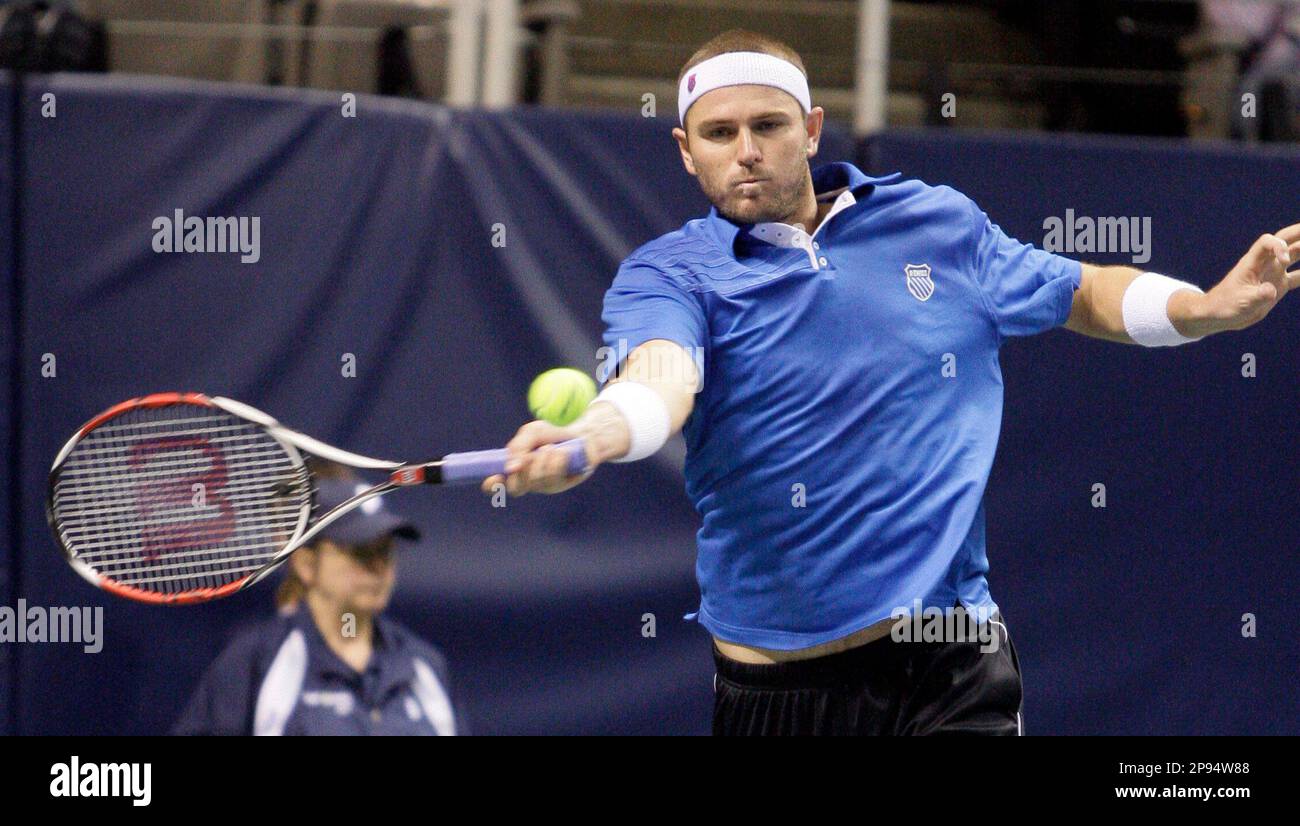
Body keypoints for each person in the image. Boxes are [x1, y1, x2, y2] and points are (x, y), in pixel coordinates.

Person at [482, 29, 1300, 735]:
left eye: (767, 125)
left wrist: (1203, 310)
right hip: (775, 686)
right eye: (719, 131)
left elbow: (1079, 290)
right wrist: (595, 433)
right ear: (685, 149)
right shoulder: (667, 275)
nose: (746, 150)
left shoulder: (936, 224)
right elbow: (663, 381)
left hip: (948, 656)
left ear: (810, 128)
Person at [174, 465, 466, 735]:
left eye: (386, 552)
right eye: (361, 552)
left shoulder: (427, 666)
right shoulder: (254, 663)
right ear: (305, 563)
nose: (379, 568)